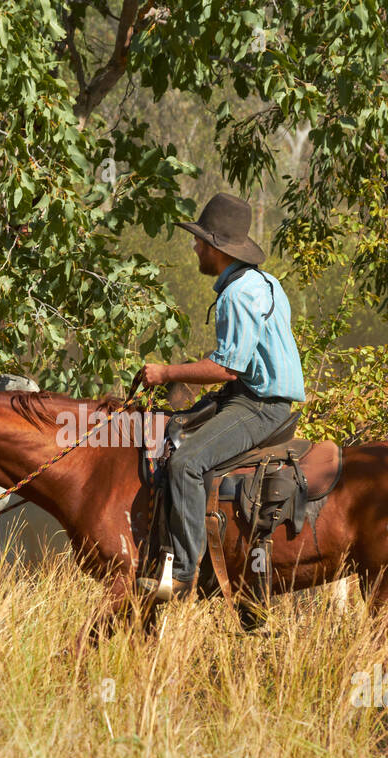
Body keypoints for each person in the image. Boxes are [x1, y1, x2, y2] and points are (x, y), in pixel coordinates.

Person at [140, 192, 306, 599]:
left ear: (215, 248)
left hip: (259, 406)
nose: (194, 246)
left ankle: (183, 572)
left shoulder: (237, 295)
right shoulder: (265, 282)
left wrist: (165, 372)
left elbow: (225, 368)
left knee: (185, 464)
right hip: (250, 395)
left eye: (199, 241)